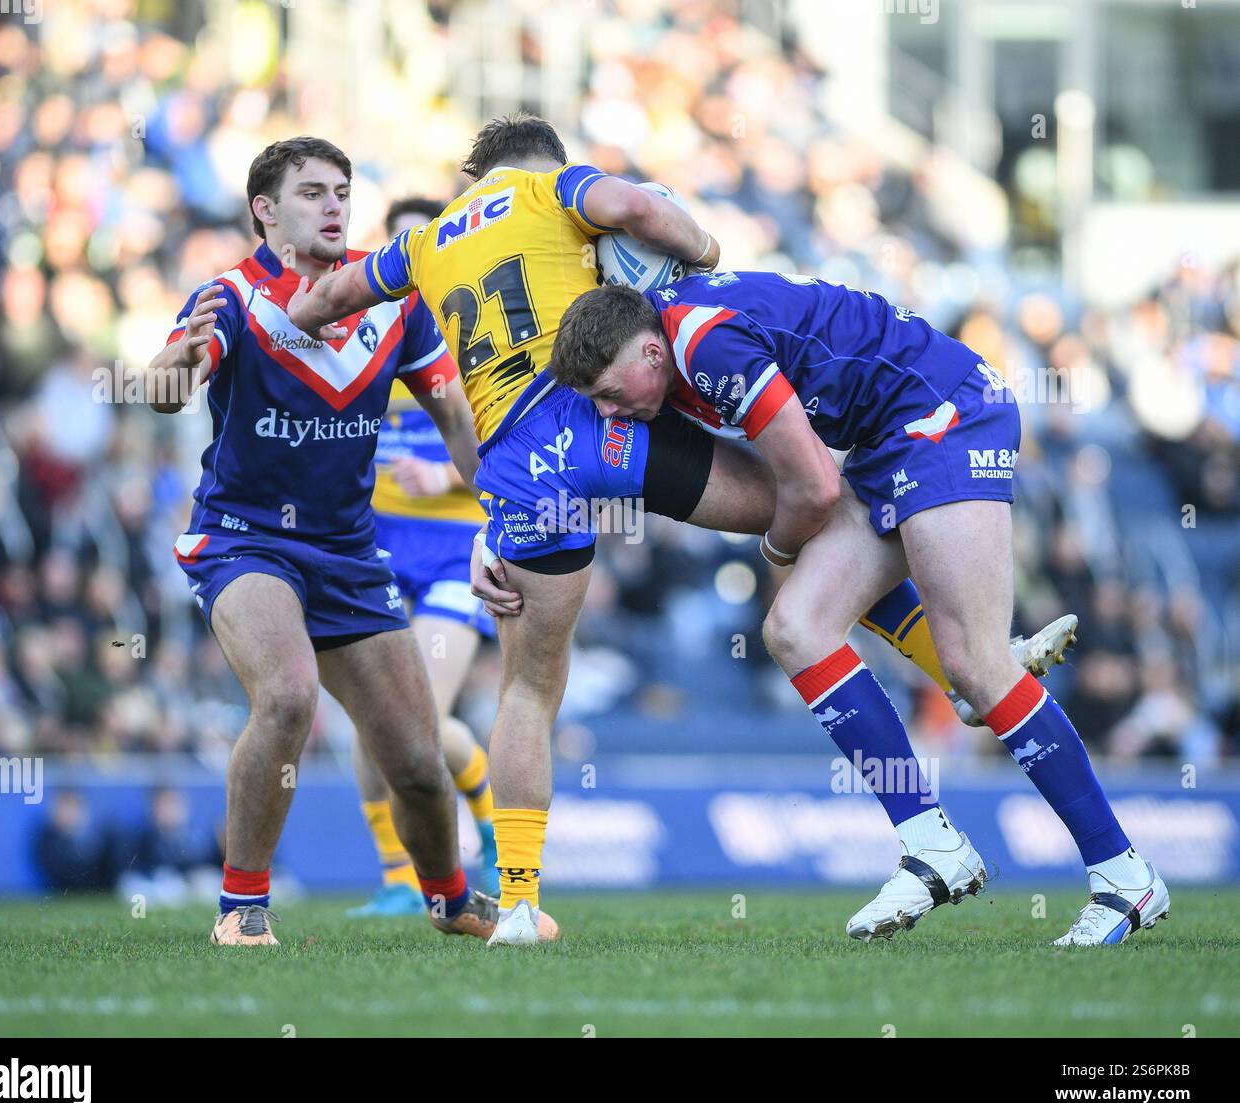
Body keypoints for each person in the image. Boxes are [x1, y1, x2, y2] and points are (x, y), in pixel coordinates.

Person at [286, 113, 1074, 946]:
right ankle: (969, 659)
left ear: (469, 178)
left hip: (522, 465)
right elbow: (636, 207)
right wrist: (704, 253)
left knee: (528, 687)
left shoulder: (422, 244)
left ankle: (518, 903)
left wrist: (291, 318)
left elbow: (327, 300)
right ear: (541, 163)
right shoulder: (553, 188)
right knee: (817, 510)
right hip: (603, 414)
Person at [547, 274, 1169, 947]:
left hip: (944, 414)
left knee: (978, 665)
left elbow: (813, 489)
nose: (608, 413)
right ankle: (933, 845)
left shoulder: (703, 344)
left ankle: (1122, 875)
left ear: (647, 354)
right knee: (796, 629)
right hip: (886, 439)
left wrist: (776, 550)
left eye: (609, 394)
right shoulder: (668, 342)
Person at [144, 136, 509, 945]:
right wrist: (165, 364)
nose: (335, 205)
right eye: (312, 192)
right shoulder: (234, 298)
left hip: (349, 551)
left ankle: (449, 901)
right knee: (286, 697)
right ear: (264, 211)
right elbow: (167, 391)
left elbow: (456, 420)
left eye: (342, 190)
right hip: (245, 541)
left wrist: (504, 518)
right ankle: (241, 910)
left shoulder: (394, 299)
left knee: (415, 759)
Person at [349, 197, 501, 916]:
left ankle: (494, 830)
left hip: (454, 547)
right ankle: (394, 878)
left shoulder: (476, 332)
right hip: (372, 544)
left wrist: (447, 474)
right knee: (368, 718)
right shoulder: (368, 332)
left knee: (420, 720)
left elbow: (508, 437)